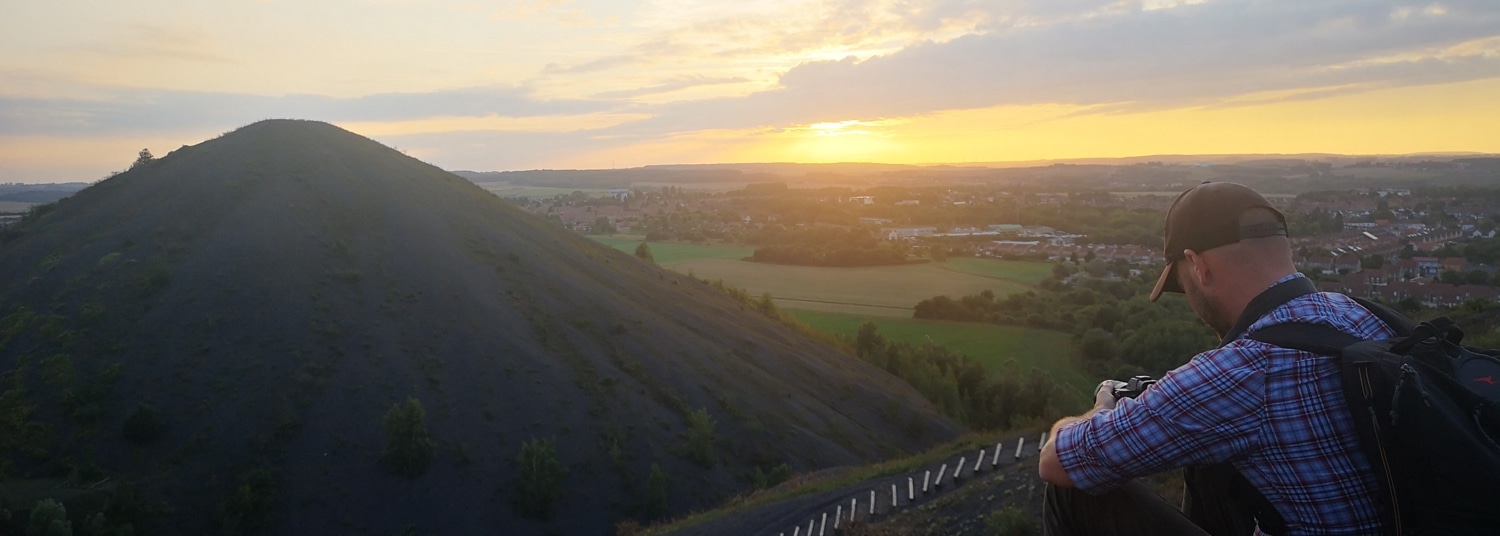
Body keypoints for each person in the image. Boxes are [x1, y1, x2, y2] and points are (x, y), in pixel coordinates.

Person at [1037, 182, 1397, 535]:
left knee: (1071, 493)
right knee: (1212, 460)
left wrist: (1104, 404)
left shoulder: (1245, 371)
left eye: (1182, 284)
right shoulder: (1369, 318)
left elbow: (1057, 462)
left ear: (1197, 266)